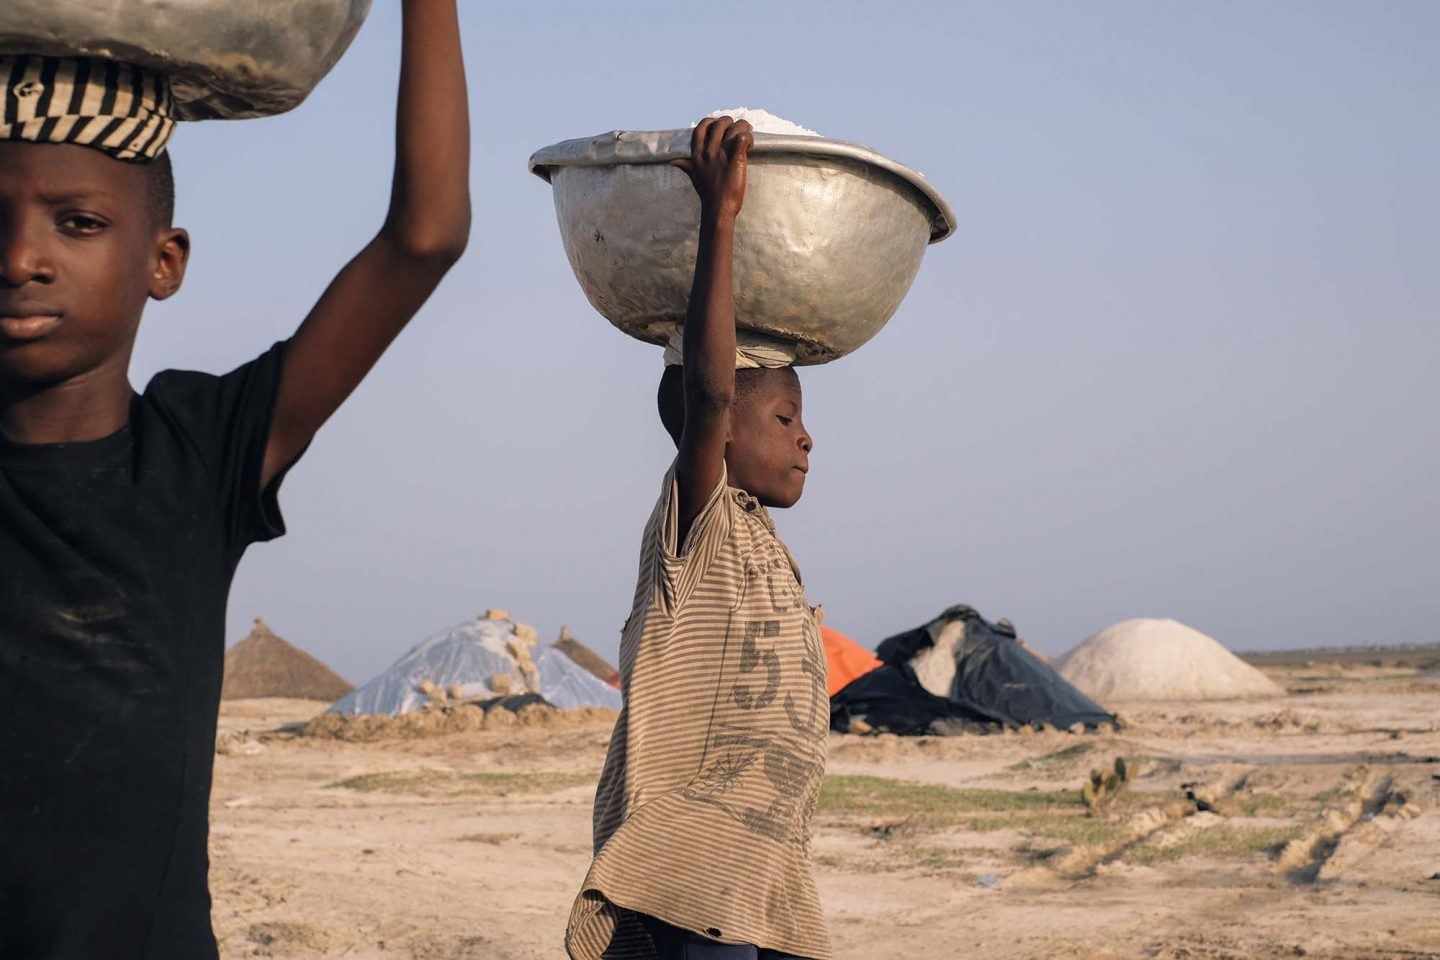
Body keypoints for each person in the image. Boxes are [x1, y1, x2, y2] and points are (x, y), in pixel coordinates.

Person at [0, 2, 469, 956]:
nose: (20, 259)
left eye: (78, 223)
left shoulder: (199, 452)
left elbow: (423, 237)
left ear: (161, 262)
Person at [566, 116, 830, 960]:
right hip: (686, 873)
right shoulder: (702, 519)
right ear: (714, 433)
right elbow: (711, 396)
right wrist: (721, 217)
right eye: (786, 416)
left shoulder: (765, 547)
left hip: (760, 871)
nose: (806, 438)